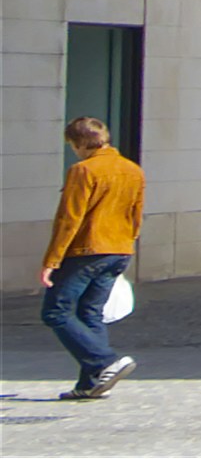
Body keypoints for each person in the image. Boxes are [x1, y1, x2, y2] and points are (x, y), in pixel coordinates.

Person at [38, 112, 141, 399]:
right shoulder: (133, 169)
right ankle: (90, 383)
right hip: (119, 249)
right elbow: (136, 216)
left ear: (79, 143)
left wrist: (51, 261)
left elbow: (69, 219)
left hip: (87, 250)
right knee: (90, 313)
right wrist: (125, 244)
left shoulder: (83, 170)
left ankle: (105, 361)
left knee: (55, 311)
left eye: (72, 145)